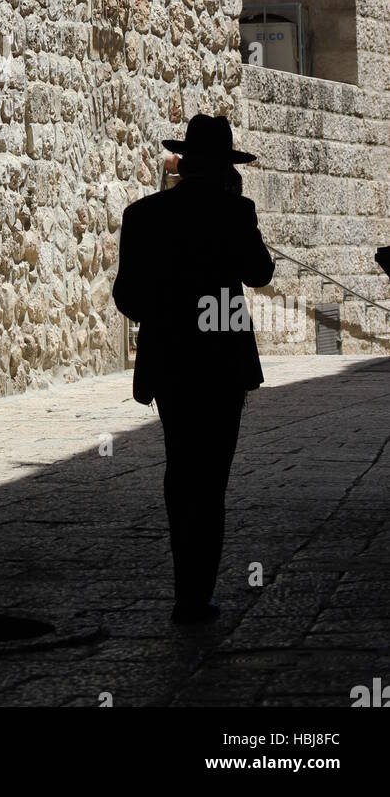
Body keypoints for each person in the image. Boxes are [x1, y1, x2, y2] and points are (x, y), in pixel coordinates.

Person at [113, 114, 275, 624]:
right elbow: (261, 273)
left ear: (181, 164)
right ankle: (198, 593)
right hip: (223, 360)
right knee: (213, 475)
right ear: (227, 167)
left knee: (180, 467)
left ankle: (186, 590)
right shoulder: (237, 211)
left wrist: (166, 312)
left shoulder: (142, 215)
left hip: (171, 359)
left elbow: (127, 296)